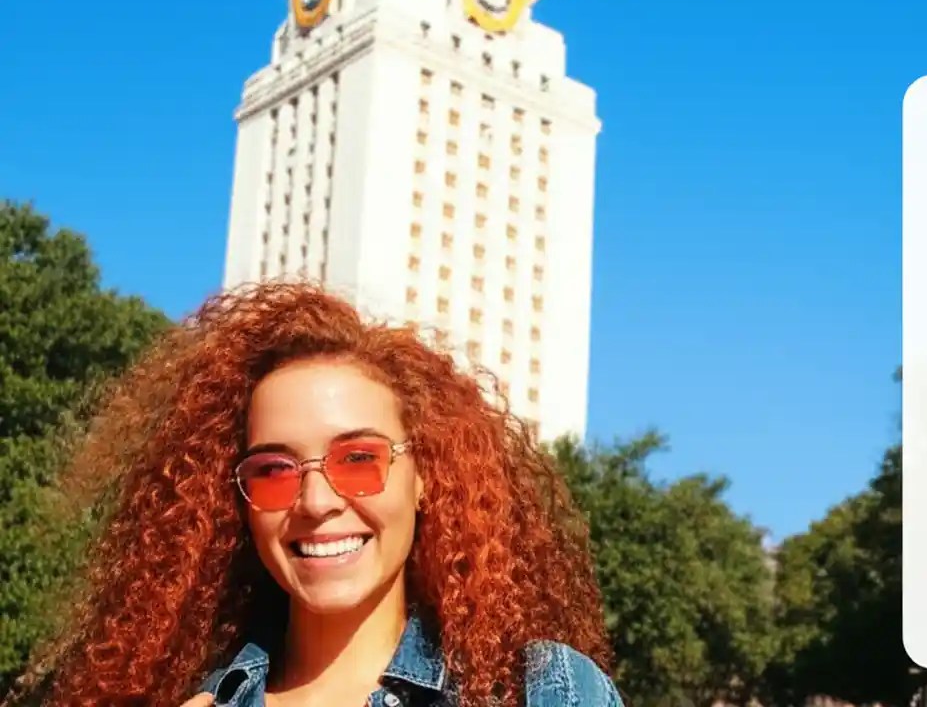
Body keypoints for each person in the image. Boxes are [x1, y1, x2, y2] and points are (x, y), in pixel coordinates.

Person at [5, 281, 622, 706]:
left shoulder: (541, 689)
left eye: (358, 459)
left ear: (426, 478)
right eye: (274, 469)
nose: (316, 500)